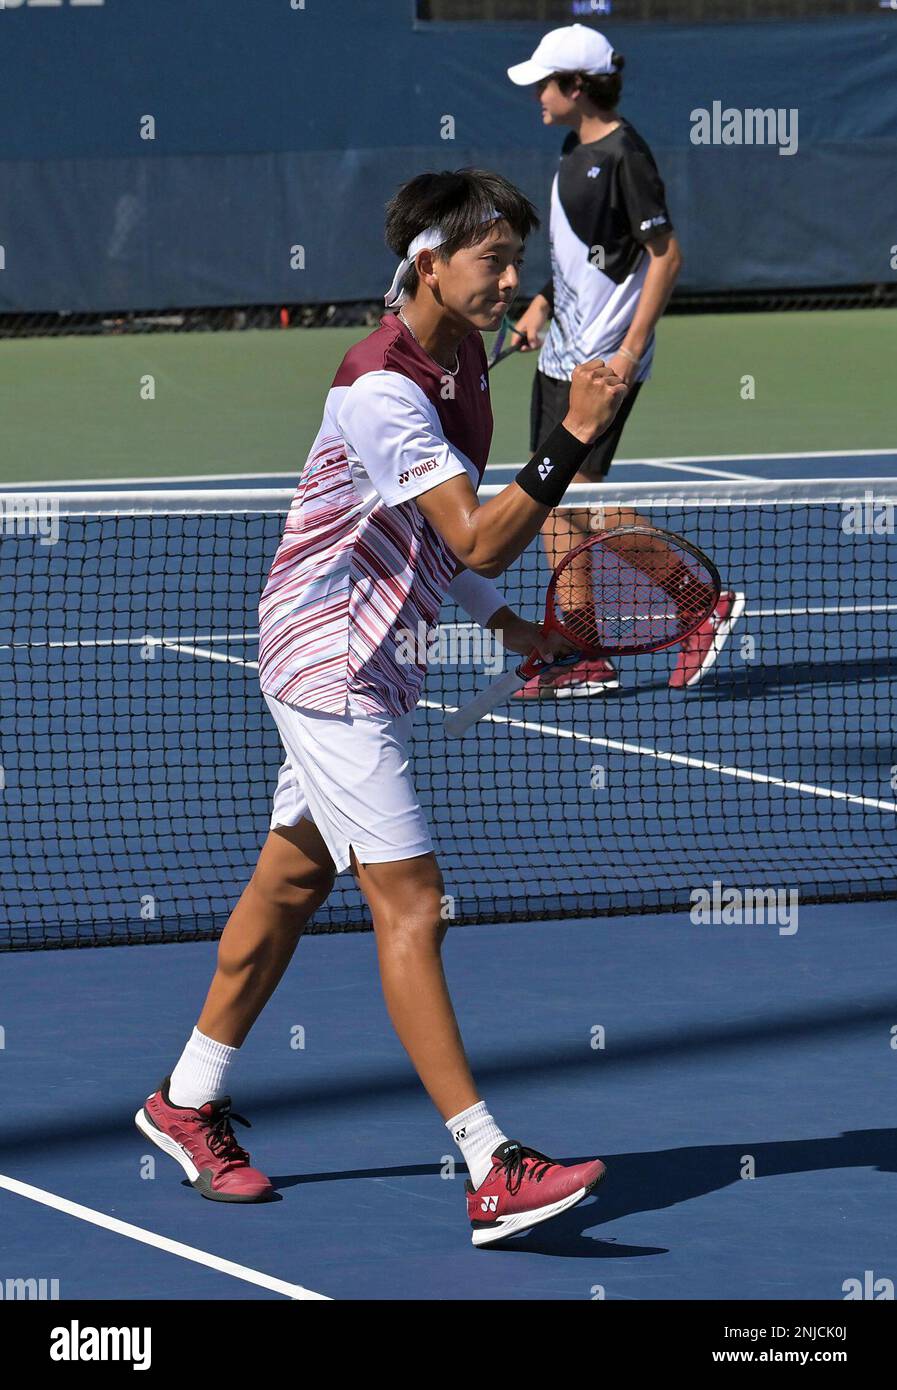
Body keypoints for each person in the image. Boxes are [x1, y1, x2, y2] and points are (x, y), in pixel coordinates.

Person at [135, 168, 627, 1246]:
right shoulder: (380, 392)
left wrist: (508, 629)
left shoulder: (460, 364)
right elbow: (479, 534)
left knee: (293, 880)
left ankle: (183, 1098)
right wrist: (573, 435)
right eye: (491, 261)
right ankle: (491, 1161)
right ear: (428, 266)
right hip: (327, 665)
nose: (511, 280)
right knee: (413, 906)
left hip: (377, 659)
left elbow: (435, 544)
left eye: (515, 259)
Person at [507, 24, 743, 695]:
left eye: (545, 84)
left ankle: (697, 602)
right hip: (560, 352)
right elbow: (585, 253)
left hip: (603, 360)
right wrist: (541, 305)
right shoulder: (570, 145)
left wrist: (630, 348)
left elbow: (664, 255)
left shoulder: (624, 156)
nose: (536, 95)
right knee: (551, 500)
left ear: (576, 87)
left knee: (579, 499)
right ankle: (582, 649)